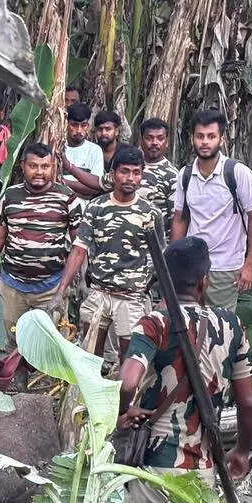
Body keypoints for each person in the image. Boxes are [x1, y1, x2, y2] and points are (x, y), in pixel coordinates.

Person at [118, 236, 252, 503]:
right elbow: (249, 400)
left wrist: (124, 412)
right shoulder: (231, 325)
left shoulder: (154, 323)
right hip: (204, 469)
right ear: (204, 280)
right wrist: (241, 450)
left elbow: (127, 381)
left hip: (155, 469)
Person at [0, 142, 81, 346]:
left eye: (45, 166)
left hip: (50, 289)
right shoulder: (10, 197)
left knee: (49, 345)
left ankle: (45, 380)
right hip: (13, 288)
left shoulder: (67, 198)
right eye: (33, 166)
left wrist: (63, 291)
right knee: (14, 343)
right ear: (23, 166)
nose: (39, 172)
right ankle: (16, 378)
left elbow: (80, 246)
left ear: (53, 167)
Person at [54, 145, 164, 362]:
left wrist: (154, 295)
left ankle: (124, 397)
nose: (130, 178)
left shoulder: (151, 213)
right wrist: (61, 290)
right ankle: (88, 396)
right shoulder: (97, 207)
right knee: (90, 356)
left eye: (136, 172)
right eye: (124, 171)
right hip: (99, 294)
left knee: (129, 359)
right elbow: (78, 250)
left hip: (131, 298)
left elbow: (160, 259)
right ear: (113, 174)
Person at [171, 110, 252, 312]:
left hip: (225, 267)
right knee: (189, 324)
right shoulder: (185, 175)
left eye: (211, 136)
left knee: (220, 328)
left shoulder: (238, 173)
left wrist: (250, 264)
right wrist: (174, 260)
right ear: (192, 139)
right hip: (192, 265)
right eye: (200, 136)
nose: (205, 142)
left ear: (221, 139)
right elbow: (180, 219)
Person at [138, 117, 178, 240]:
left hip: (155, 248)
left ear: (166, 142)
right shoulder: (129, 167)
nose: (154, 142)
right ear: (141, 140)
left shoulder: (172, 175)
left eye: (160, 138)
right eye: (149, 138)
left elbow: (176, 220)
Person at [61, 102, 105, 201]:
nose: (79, 130)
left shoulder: (94, 150)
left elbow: (94, 187)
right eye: (74, 125)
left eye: (83, 125)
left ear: (88, 126)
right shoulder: (57, 148)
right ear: (66, 124)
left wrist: (64, 182)